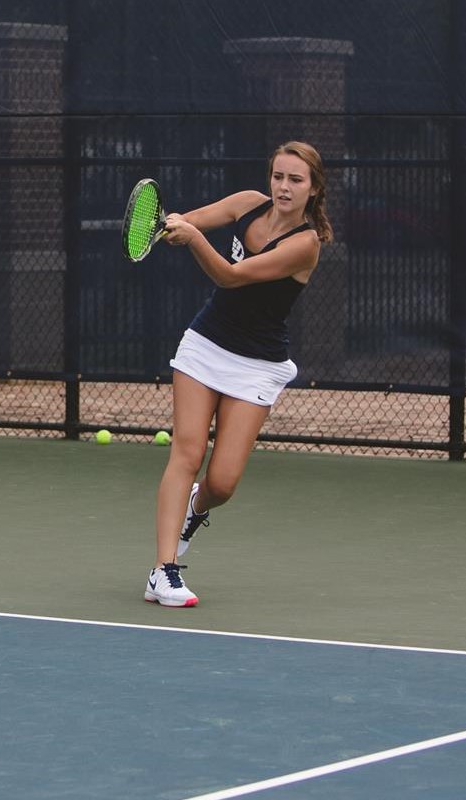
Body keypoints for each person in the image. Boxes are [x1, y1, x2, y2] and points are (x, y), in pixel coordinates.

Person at [142, 141, 334, 608]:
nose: (284, 187)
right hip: (206, 345)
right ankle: (163, 572)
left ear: (313, 189)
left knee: (222, 483)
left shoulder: (306, 244)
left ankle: (196, 507)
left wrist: (191, 239)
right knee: (187, 451)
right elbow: (196, 218)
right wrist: (175, 224)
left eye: (296, 180)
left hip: (257, 364)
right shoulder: (248, 204)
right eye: (279, 177)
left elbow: (231, 276)